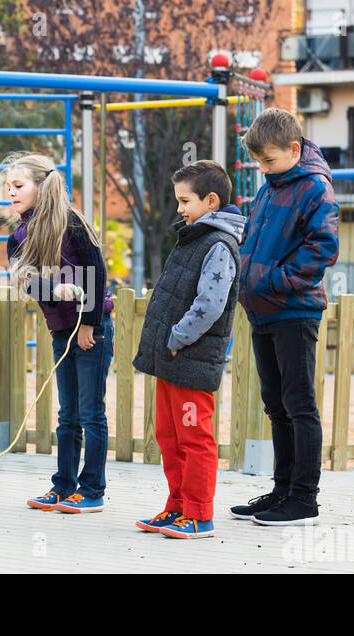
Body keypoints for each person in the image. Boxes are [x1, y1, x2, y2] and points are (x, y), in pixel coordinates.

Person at [230, 108, 339, 526]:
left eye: (269, 160)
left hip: (293, 310)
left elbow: (323, 248)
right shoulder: (269, 189)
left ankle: (303, 499)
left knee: (299, 405)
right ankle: (282, 491)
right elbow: (250, 242)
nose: (263, 168)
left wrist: (274, 281)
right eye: (258, 162)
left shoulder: (314, 188)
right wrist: (247, 281)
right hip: (262, 313)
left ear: (294, 149)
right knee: (275, 405)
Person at [131, 160, 244, 539]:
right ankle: (177, 506)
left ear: (211, 200)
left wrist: (178, 337)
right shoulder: (193, 237)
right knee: (169, 434)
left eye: (185, 200)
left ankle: (199, 513)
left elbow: (209, 304)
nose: (179, 208)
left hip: (191, 357)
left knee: (194, 437)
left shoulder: (219, 245)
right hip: (172, 358)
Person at [5, 152, 115, 515]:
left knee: (90, 412)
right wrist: (55, 290)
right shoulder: (18, 235)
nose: (11, 192)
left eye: (18, 185)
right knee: (67, 413)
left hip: (89, 331)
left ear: (41, 185)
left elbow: (96, 274)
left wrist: (89, 323)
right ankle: (63, 486)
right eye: (9, 187)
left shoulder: (72, 222)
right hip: (61, 331)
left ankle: (92, 489)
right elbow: (28, 284)